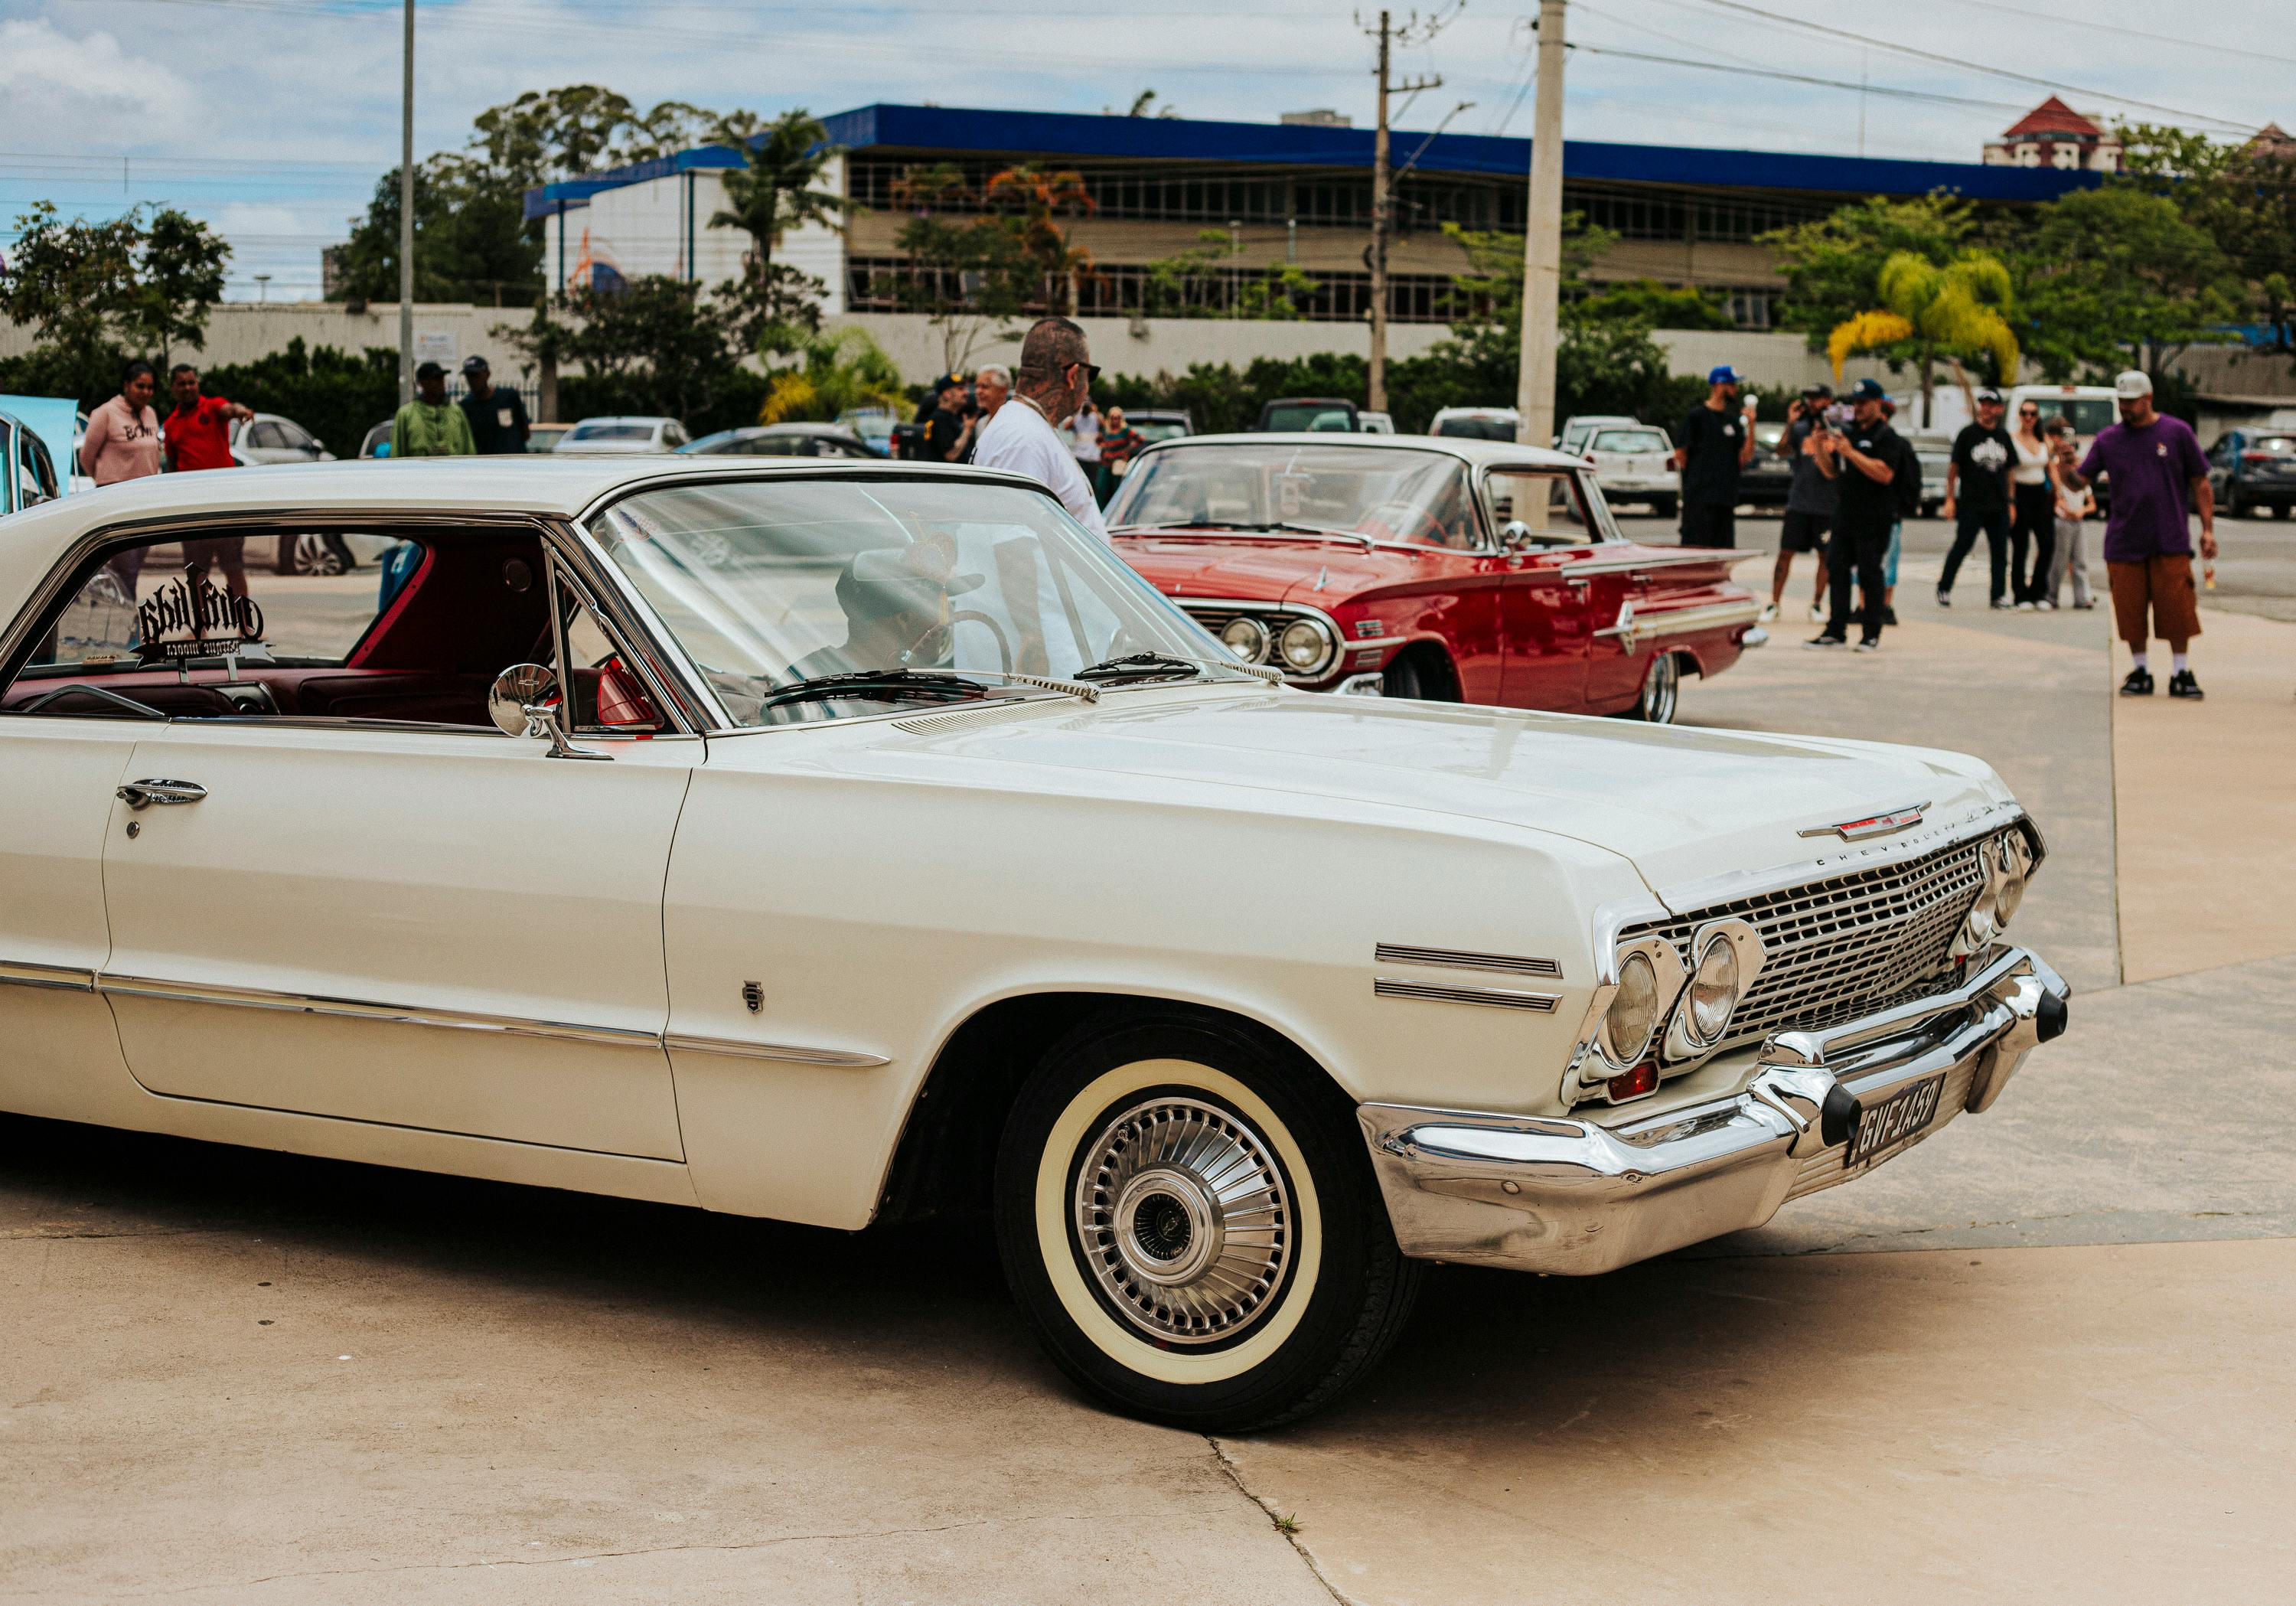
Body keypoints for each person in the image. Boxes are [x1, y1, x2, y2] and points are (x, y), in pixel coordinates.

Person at [2055, 369, 2213, 698]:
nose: (2125, 407)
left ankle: (2181, 672)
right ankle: (2140, 670)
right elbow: (2080, 482)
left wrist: (2207, 530)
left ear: (2148, 398)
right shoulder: (2108, 440)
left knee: (2178, 609)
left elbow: (2200, 481)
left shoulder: (2177, 433)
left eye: (2131, 401)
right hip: (2125, 540)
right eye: (2121, 401)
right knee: (2130, 611)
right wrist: (2065, 467)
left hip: (2170, 539)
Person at [970, 316, 1109, 539]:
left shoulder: (1027, 427)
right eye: (1089, 375)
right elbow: (1014, 546)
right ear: (1073, 375)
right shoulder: (1023, 438)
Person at [1806, 378, 1900, 651]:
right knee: (1837, 569)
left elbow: (1885, 474)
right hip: (1845, 514)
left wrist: (1851, 452)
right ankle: (1836, 630)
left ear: (1877, 403)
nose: (1857, 408)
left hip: (1874, 516)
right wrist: (1820, 448)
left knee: (1870, 574)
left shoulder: (1886, 436)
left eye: (1863, 402)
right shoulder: (1848, 433)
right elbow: (1832, 472)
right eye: (1855, 402)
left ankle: (1871, 632)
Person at [161, 363, 257, 602]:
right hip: (193, 509)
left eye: (192, 382)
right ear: (173, 388)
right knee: (196, 574)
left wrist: (241, 411)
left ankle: (244, 621)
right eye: (182, 384)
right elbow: (172, 468)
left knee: (234, 568)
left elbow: (229, 409)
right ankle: (201, 623)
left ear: (198, 384)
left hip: (225, 505)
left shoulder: (212, 407)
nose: (188, 387)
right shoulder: (171, 424)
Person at [81, 358, 165, 589]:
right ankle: (128, 612)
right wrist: (107, 483)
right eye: (140, 386)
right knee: (126, 568)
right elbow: (87, 457)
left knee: (133, 568)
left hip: (145, 501)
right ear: (126, 385)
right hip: (117, 500)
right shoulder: (105, 413)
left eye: (150, 387)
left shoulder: (151, 414)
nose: (146, 392)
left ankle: (116, 609)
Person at [1939, 387, 2015, 608]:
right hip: (1972, 503)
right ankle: (1944, 587)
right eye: (1984, 404)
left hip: (1998, 504)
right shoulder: (1968, 434)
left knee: (2000, 552)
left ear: (1999, 409)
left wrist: (2011, 503)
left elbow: (2010, 472)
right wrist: (1950, 498)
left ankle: (1998, 595)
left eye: (1991, 405)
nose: (1987, 409)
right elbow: (1954, 468)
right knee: (1962, 546)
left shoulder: (2003, 436)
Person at [1769, 384, 1837, 622]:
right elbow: (1782, 451)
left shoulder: (1837, 429)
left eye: (1817, 398)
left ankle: (1816, 604)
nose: (1812, 403)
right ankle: (1774, 604)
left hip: (1827, 504)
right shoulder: (1800, 428)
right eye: (1809, 398)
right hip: (1799, 502)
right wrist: (1790, 423)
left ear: (1828, 401)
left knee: (1825, 555)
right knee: (1786, 552)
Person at [1671, 364, 1757, 548]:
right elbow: (1680, 454)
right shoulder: (1697, 416)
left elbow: (1746, 455)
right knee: (1696, 549)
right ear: (1719, 386)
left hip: (1725, 499)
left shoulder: (1732, 420)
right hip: (1699, 499)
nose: (1735, 389)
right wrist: (1696, 479)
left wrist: (1751, 426)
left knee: (1723, 550)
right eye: (1732, 385)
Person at [2007, 397, 2056, 609]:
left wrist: (2059, 494)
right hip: (2020, 493)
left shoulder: (2044, 440)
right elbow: (2009, 473)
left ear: (2037, 417)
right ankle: (2021, 594)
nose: (2028, 417)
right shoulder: (2012, 439)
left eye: (2033, 414)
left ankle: (2038, 591)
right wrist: (2010, 502)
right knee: (2021, 545)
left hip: (2040, 494)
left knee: (2047, 543)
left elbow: (2051, 469)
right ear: (2019, 416)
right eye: (2025, 413)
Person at [2043, 417, 2096, 610]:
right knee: (2059, 560)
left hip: (2077, 520)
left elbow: (2091, 503)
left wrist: (2080, 511)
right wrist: (2058, 457)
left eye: (2071, 453)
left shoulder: (2080, 479)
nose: (2069, 457)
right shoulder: (2056, 469)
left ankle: (2082, 597)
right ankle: (2051, 594)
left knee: (2080, 560)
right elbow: (2056, 492)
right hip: (2063, 519)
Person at [392, 361, 476, 457]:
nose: (442, 383)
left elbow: (469, 450)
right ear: (423, 383)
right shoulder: (406, 414)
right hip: (419, 466)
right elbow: (397, 453)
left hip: (454, 466)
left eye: (442, 378)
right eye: (436, 379)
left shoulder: (456, 412)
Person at [458, 355, 530, 454]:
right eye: (469, 376)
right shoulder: (466, 406)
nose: (472, 380)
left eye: (475, 375)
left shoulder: (508, 397)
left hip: (513, 459)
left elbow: (525, 431)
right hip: (485, 461)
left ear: (487, 374)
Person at [1097, 405, 1146, 507]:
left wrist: (1127, 450)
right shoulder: (1106, 430)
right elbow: (1098, 441)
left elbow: (1140, 439)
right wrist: (1104, 448)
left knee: (1118, 489)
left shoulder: (1125, 430)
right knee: (1101, 489)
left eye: (1118, 418)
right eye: (1113, 418)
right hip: (1106, 464)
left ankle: (1118, 508)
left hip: (1118, 464)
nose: (1115, 420)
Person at [1068, 393, 1103, 499]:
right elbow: (1066, 426)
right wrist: (1077, 411)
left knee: (1093, 482)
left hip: (1093, 456)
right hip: (1079, 455)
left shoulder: (1095, 416)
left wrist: (1095, 411)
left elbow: (1104, 424)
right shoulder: (1077, 417)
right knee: (1080, 481)